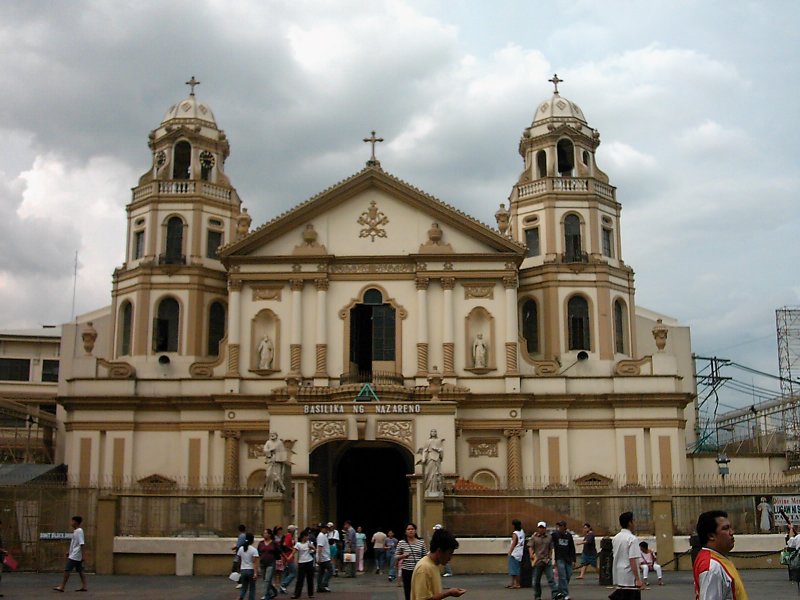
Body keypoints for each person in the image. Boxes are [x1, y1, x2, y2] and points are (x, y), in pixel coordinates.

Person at [694, 510, 749, 600]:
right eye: (725, 528)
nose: (731, 532)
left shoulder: (717, 557)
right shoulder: (712, 566)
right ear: (711, 536)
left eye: (730, 528)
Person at [410, 527, 466, 600]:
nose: (450, 558)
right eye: (449, 553)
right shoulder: (424, 568)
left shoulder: (433, 565)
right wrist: (448, 593)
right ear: (439, 551)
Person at [611, 511, 644, 600]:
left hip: (619, 574)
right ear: (630, 523)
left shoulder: (616, 538)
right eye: (633, 521)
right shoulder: (632, 539)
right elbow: (632, 559)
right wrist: (637, 579)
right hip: (630, 577)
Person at [53, 515, 88, 592]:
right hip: (75, 554)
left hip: (75, 555)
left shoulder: (79, 531)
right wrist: (69, 551)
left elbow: (82, 543)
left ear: (76, 522)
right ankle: (84, 586)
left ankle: (62, 586)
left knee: (67, 570)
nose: (71, 523)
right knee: (80, 570)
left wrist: (83, 555)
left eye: (72, 521)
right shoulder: (76, 531)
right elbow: (74, 544)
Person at [527, 521, 559, 600]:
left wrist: (550, 557)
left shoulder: (549, 537)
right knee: (536, 581)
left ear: (545, 528)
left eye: (542, 528)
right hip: (538, 561)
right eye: (540, 528)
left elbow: (551, 548)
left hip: (547, 560)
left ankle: (555, 595)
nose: (541, 529)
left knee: (551, 579)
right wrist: (531, 554)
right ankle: (537, 596)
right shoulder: (534, 537)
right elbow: (530, 546)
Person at [396, 522, 427, 600]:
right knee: (408, 590)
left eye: (412, 529)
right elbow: (396, 556)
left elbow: (425, 556)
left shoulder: (421, 542)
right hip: (406, 570)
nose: (411, 531)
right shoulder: (401, 543)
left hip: (419, 570)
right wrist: (403, 556)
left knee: (419, 590)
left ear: (415, 531)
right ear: (405, 532)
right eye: (408, 529)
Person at [552, 520, 575, 600]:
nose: (560, 528)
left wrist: (573, 559)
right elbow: (548, 538)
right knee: (562, 576)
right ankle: (565, 594)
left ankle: (559, 591)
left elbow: (572, 548)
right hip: (559, 558)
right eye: (559, 526)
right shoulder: (555, 535)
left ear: (565, 527)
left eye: (561, 526)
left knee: (568, 575)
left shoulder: (568, 536)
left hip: (568, 558)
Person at [291, 528, 316, 599]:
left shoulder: (309, 543)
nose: (307, 537)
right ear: (303, 537)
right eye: (306, 536)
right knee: (300, 579)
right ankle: (297, 594)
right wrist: (289, 558)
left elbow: (314, 549)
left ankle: (310, 593)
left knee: (310, 578)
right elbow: (294, 552)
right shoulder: (298, 544)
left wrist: (312, 548)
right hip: (302, 562)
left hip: (309, 561)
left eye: (308, 536)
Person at [258, 528, 281, 600]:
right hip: (262, 563)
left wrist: (279, 559)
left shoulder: (274, 543)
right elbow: (258, 552)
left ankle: (266, 595)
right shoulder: (261, 543)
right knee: (265, 579)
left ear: (269, 534)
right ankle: (274, 591)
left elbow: (278, 551)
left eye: (266, 533)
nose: (264, 535)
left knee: (268, 580)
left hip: (271, 563)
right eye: (264, 533)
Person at [419, 429, 444, 495]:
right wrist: (423, 458)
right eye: (432, 431)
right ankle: (429, 488)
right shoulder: (427, 441)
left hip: (437, 458)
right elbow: (425, 450)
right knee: (428, 473)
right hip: (430, 457)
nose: (433, 432)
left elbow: (441, 450)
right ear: (430, 433)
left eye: (435, 431)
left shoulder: (439, 441)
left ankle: (435, 489)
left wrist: (437, 449)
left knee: (436, 473)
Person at [238, 532, 260, 600]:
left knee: (243, 588)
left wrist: (239, 570)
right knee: (252, 588)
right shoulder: (254, 550)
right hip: (251, 570)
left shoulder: (241, 549)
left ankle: (240, 597)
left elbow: (239, 560)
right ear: (252, 540)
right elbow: (254, 562)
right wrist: (256, 573)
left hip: (243, 570)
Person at [506, 519, 525, 589]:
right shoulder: (522, 532)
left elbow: (514, 543)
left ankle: (517, 584)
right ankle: (513, 583)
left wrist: (510, 552)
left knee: (514, 569)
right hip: (520, 552)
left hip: (514, 553)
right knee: (515, 568)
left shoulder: (515, 533)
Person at [316, 523, 333, 593]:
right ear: (322, 529)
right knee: (330, 570)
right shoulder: (321, 536)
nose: (327, 530)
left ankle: (319, 587)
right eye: (325, 528)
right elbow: (320, 547)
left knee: (321, 572)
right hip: (324, 557)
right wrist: (319, 558)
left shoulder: (323, 535)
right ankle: (324, 584)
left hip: (324, 556)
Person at [280, 525, 298, 593]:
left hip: (288, 556)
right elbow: (286, 545)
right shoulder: (289, 536)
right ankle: (283, 584)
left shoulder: (289, 536)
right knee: (293, 572)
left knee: (286, 572)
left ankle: (282, 587)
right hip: (289, 556)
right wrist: (292, 549)